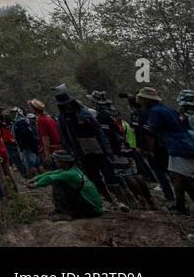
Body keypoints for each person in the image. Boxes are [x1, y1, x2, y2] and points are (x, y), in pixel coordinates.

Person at [55, 89, 121, 208]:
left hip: (96, 147)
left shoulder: (83, 112)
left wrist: (106, 147)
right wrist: (72, 152)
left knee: (109, 173)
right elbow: (64, 137)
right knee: (94, 176)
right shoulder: (62, 118)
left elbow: (98, 130)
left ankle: (120, 199)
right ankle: (109, 200)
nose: (67, 105)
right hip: (81, 151)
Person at [135, 86, 194, 215]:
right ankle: (180, 206)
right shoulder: (166, 109)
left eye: (142, 99)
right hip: (180, 144)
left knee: (180, 176)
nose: (140, 101)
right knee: (176, 175)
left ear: (147, 100)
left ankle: (181, 207)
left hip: (177, 146)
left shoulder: (156, 112)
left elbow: (153, 130)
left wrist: (148, 146)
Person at [29, 151, 103, 219]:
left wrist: (35, 185)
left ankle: (67, 213)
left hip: (93, 210)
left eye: (57, 160)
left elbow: (49, 178)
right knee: (59, 181)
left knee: (57, 182)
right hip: (93, 207)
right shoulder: (72, 169)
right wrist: (35, 179)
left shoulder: (69, 174)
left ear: (64, 162)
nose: (55, 161)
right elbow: (51, 173)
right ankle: (64, 210)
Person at [13, 111, 41, 175]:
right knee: (37, 164)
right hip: (33, 146)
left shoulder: (20, 124)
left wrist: (21, 146)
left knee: (30, 166)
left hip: (28, 147)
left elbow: (24, 137)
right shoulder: (27, 124)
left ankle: (35, 181)